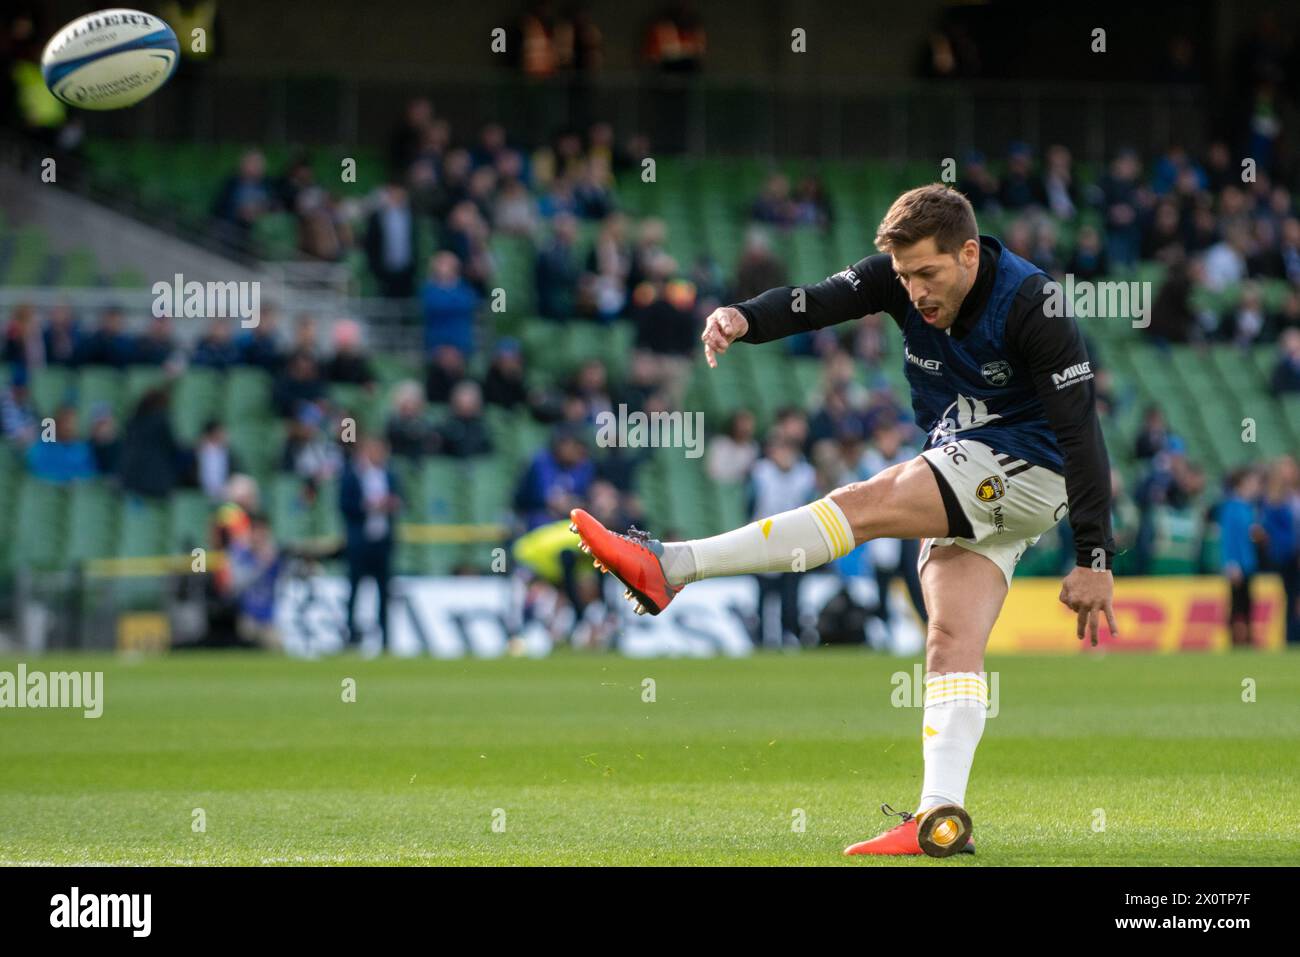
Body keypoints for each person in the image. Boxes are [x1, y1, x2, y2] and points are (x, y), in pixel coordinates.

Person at [568, 184, 1117, 859]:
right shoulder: (901, 278)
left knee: (866, 502)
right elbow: (818, 300)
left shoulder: (1034, 304)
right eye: (905, 275)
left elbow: (1082, 431)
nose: (914, 291)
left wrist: (1095, 557)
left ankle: (671, 566)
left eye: (928, 273)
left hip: (1029, 466)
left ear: (969, 253)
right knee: (947, 639)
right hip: (976, 468)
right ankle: (939, 816)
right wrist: (743, 317)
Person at [339, 437, 402, 651]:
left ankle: (385, 639)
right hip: (360, 543)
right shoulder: (352, 476)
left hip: (382, 543)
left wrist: (391, 504)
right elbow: (344, 506)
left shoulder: (390, 476)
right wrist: (366, 506)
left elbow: (401, 500)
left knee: (384, 592)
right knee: (354, 589)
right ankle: (350, 634)